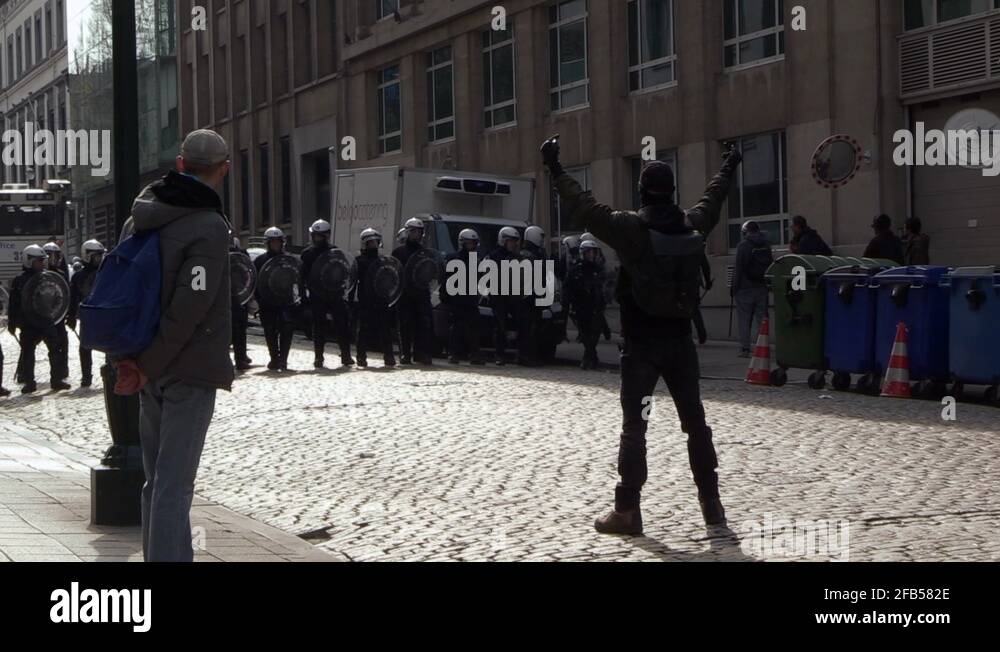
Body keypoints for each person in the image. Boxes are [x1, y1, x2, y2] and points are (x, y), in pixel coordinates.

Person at [543, 135, 742, 535]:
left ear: (641, 191)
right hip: (681, 347)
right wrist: (730, 166)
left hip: (642, 349)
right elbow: (714, 199)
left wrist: (556, 169)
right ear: (672, 192)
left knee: (637, 423)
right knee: (695, 424)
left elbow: (584, 206)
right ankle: (712, 507)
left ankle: (628, 510)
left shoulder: (629, 229)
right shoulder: (692, 223)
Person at [112, 128, 234, 562]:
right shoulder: (209, 226)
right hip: (189, 369)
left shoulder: (137, 218)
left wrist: (135, 362)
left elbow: (123, 295)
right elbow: (191, 309)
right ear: (223, 169)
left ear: (181, 165)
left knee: (156, 482)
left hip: (148, 368)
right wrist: (148, 365)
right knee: (174, 484)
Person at [9, 244, 70, 394]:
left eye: (43, 261)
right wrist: (12, 322)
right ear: (29, 260)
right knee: (28, 353)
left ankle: (56, 380)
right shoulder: (19, 280)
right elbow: (14, 303)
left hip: (46, 320)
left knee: (55, 350)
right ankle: (29, 382)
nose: (42, 264)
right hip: (28, 323)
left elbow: (57, 296)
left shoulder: (48, 277)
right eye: (39, 261)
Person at [300, 219, 354, 369]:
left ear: (326, 236)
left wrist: (344, 290)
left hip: (334, 293)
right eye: (315, 235)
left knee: (342, 324)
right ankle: (319, 357)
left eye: (320, 236)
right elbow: (302, 275)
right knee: (319, 327)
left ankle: (346, 355)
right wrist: (303, 294)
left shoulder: (334, 251)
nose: (317, 238)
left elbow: (342, 271)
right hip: (317, 294)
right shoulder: (307, 254)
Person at [351, 228, 397, 368]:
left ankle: (388, 356)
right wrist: (351, 301)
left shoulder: (383, 260)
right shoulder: (359, 261)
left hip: (381, 299)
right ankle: (361, 356)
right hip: (366, 300)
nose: (373, 245)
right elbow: (353, 281)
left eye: (375, 242)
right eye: (370, 242)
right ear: (365, 243)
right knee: (364, 329)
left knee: (385, 329)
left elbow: (389, 279)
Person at [392, 218, 435, 365]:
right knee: (405, 324)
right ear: (408, 232)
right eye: (414, 231)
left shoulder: (426, 252)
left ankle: (421, 353)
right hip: (404, 294)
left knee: (423, 324)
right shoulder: (398, 252)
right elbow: (394, 273)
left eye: (419, 232)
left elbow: (431, 271)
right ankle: (405, 353)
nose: (416, 235)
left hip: (421, 293)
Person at [487, 227, 530, 366]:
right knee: (500, 326)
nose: (514, 244)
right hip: (499, 296)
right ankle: (500, 355)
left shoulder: (518, 257)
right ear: (503, 241)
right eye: (511, 241)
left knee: (523, 323)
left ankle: (522, 355)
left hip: (515, 296)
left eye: (515, 242)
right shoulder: (493, 256)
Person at [254, 227, 296, 371]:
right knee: (270, 330)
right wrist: (257, 299)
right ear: (268, 243)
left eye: (278, 242)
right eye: (273, 242)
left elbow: (296, 277)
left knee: (287, 327)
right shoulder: (260, 261)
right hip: (267, 302)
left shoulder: (289, 259)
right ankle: (274, 358)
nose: (276, 245)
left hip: (285, 301)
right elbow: (255, 281)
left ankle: (283, 359)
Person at [442, 229, 485, 365]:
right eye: (469, 243)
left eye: (474, 243)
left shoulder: (476, 260)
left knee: (474, 327)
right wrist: (446, 296)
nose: (472, 246)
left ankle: (474, 354)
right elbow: (446, 279)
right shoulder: (453, 258)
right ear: (462, 243)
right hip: (457, 298)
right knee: (457, 327)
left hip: (471, 298)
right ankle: (454, 354)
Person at [66, 239, 106, 387]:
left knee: (110, 344)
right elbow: (73, 298)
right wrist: (71, 316)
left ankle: (113, 371)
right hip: (87, 316)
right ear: (87, 256)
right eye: (97, 256)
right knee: (85, 347)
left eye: (101, 256)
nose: (100, 259)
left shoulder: (106, 272)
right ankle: (86, 376)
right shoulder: (78, 276)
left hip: (104, 313)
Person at [565, 239, 608, 370]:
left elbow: (603, 289)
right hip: (581, 308)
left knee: (594, 335)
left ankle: (587, 359)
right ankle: (592, 358)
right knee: (585, 336)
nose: (591, 255)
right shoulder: (576, 270)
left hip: (595, 308)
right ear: (583, 253)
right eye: (589, 252)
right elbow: (568, 289)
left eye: (593, 252)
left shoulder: (598, 269)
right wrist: (568, 307)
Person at [518, 225, 548, 365]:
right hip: (527, 298)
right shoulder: (526, 255)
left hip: (537, 296)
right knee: (528, 328)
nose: (542, 240)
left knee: (535, 327)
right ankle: (525, 355)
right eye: (540, 237)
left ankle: (532, 355)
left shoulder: (538, 254)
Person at [43, 242, 71, 383]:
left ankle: (61, 372)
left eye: (56, 256)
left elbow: (66, 294)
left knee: (62, 343)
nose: (53, 259)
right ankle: (25, 374)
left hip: (57, 315)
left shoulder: (61, 274)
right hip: (40, 317)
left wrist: (68, 314)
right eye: (50, 256)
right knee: (28, 347)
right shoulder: (38, 275)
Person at [229, 237, 252, 372]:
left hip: (238, 296)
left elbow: (248, 272)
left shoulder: (242, 254)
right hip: (221, 298)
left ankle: (241, 358)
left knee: (240, 331)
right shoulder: (211, 250)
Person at [692, 248, 713, 346]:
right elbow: (705, 266)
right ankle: (702, 334)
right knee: (694, 310)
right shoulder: (694, 245)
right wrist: (708, 281)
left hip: (677, 283)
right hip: (693, 283)